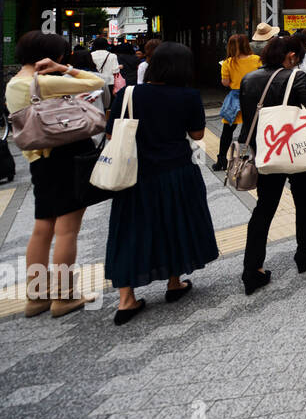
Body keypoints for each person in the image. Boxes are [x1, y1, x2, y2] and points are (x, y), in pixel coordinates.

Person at [104, 43, 220, 325]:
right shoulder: (188, 95)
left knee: (130, 229)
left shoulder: (129, 94)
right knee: (175, 222)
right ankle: (173, 282)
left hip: (134, 175)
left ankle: (126, 298)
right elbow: (197, 133)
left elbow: (111, 137)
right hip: (176, 171)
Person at [6, 32, 105, 318]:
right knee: (67, 230)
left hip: (39, 162)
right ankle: (64, 297)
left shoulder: (13, 84)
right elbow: (96, 82)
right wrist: (64, 70)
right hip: (66, 158)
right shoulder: (44, 82)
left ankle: (36, 297)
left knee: (42, 228)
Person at [237, 35, 306, 296]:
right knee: (305, 200)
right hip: (295, 150)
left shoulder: (249, 79)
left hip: (266, 151)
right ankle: (305, 252)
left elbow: (249, 117)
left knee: (264, 207)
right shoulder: (297, 77)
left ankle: (252, 270)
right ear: (292, 56)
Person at [213, 34, 260, 173]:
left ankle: (221, 161)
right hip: (253, 97)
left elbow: (225, 83)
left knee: (227, 131)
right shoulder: (257, 60)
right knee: (252, 129)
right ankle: (256, 160)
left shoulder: (228, 62)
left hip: (235, 97)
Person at [89, 37, 120, 112]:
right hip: (110, 83)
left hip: (95, 83)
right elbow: (116, 71)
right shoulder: (112, 56)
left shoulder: (90, 55)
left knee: (95, 105)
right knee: (109, 106)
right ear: (106, 45)